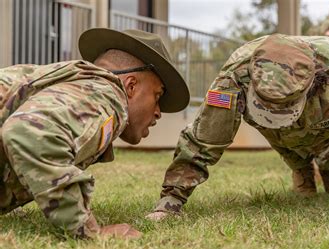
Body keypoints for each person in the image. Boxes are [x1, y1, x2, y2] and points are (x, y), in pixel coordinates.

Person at [145, 34, 329, 224]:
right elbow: (203, 142)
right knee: (286, 140)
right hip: (281, 137)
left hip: (327, 118)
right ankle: (302, 171)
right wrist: (171, 201)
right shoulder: (232, 78)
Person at [0, 28, 190, 238]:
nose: (158, 112)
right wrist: (88, 230)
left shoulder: (69, 80)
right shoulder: (107, 93)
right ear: (131, 87)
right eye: (157, 95)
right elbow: (27, 132)